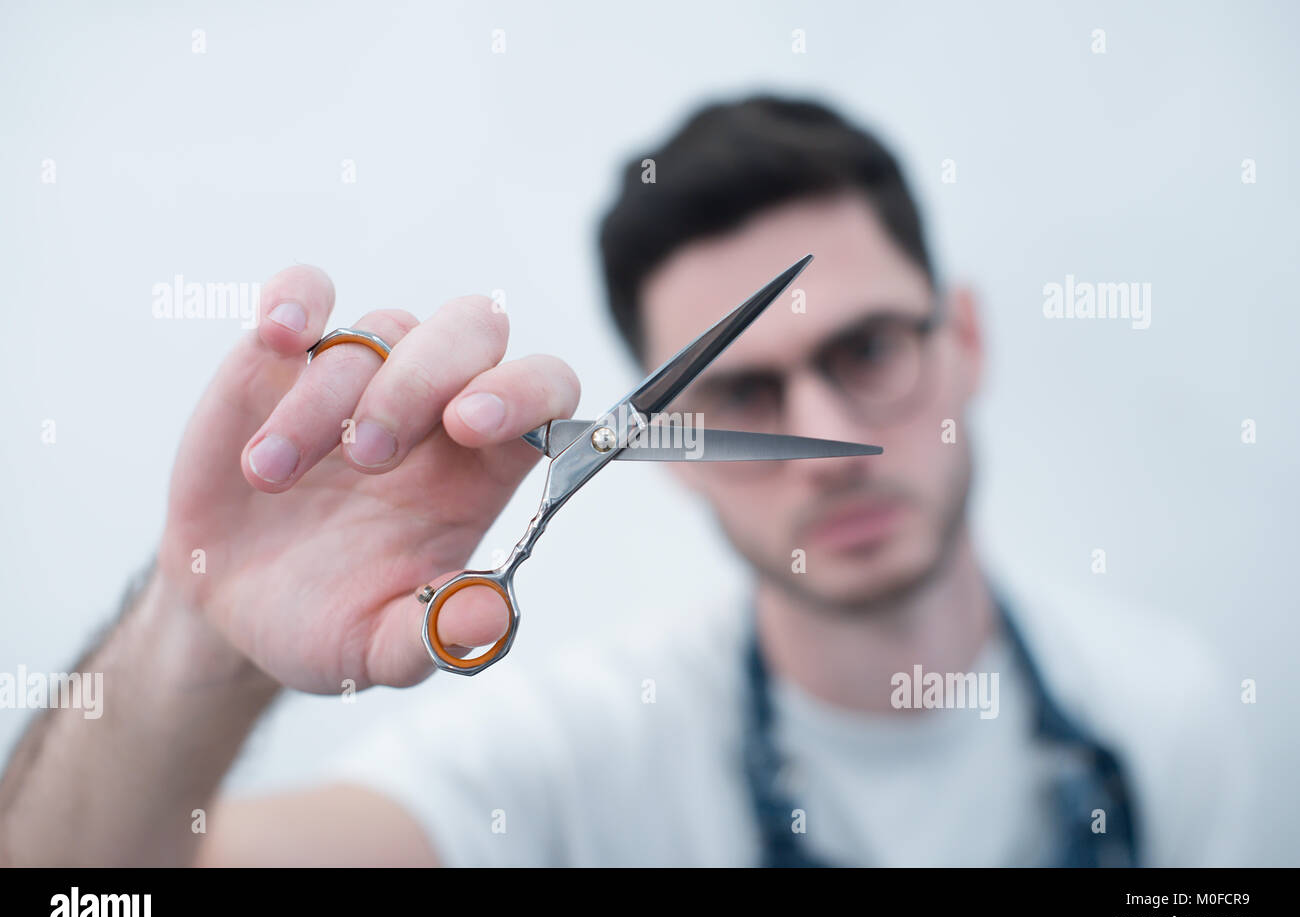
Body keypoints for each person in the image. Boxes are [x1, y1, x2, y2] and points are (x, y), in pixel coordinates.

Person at [0, 95, 1251, 867]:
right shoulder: (560, 767)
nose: (820, 432)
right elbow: (87, 910)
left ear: (962, 340)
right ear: (664, 448)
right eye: (740, 392)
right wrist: (197, 637)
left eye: (863, 349)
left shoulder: (1165, 712)